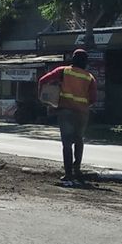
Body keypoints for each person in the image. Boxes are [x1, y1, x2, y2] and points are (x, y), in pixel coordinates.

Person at [39, 49, 98, 181]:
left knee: (67, 143)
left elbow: (43, 80)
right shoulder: (89, 77)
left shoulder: (63, 71)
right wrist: (83, 105)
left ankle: (68, 173)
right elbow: (93, 99)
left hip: (65, 111)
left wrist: (44, 98)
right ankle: (77, 169)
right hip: (82, 113)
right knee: (79, 140)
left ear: (73, 59)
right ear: (86, 62)